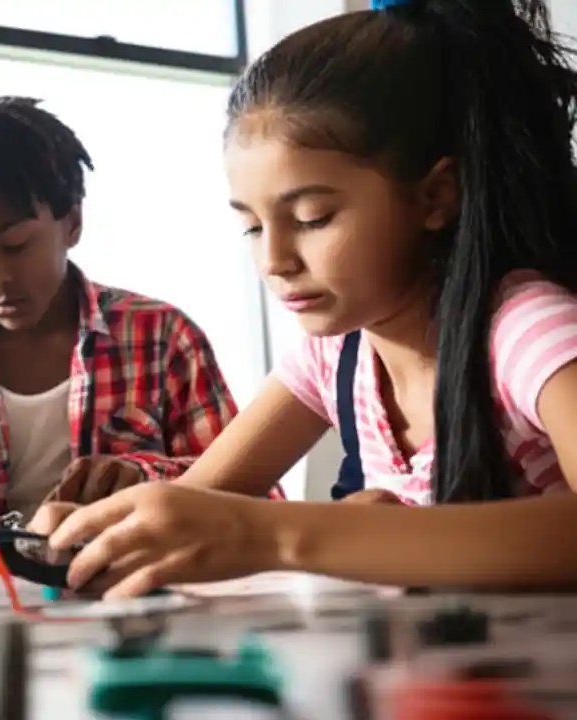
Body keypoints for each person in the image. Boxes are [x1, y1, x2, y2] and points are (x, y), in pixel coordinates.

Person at [29, 0, 577, 598]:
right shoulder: (336, 356)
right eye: (253, 227)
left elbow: (252, 523)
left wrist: (281, 534)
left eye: (313, 218)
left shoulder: (525, 330)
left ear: (435, 197)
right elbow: (201, 498)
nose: (274, 261)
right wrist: (102, 529)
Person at [0, 96, 240, 527]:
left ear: (72, 223)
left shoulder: (162, 338)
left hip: (133, 582)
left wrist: (144, 478)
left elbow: (243, 492)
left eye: (15, 245)